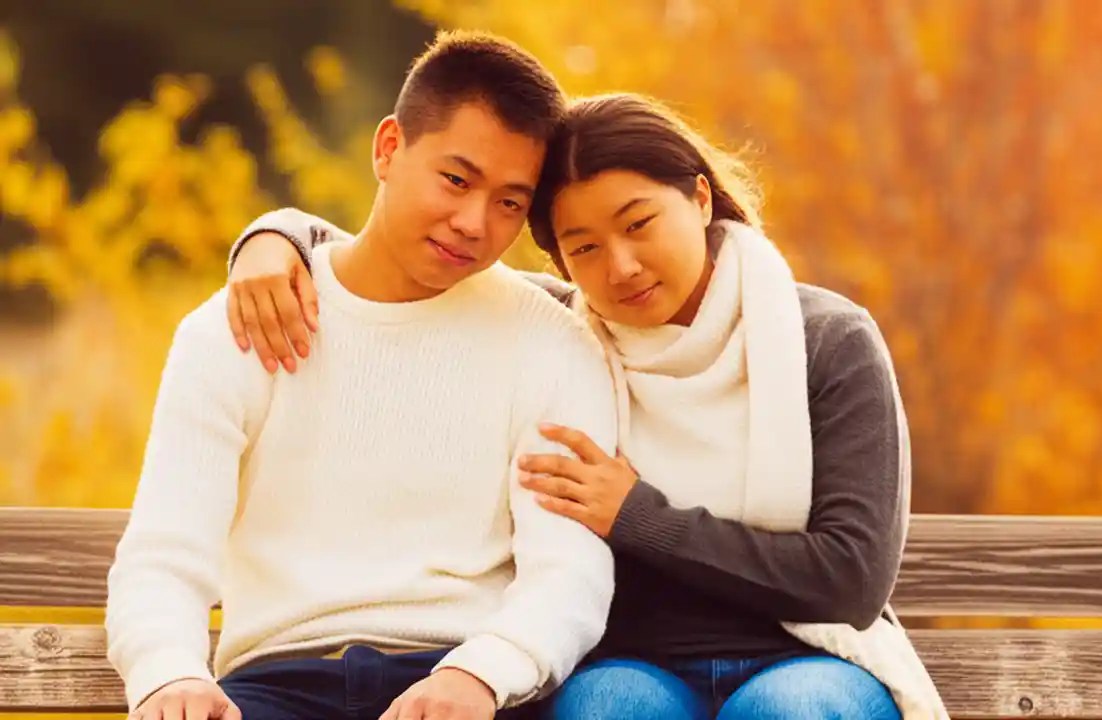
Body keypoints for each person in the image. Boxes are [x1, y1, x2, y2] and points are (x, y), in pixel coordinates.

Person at [221, 94, 949, 720]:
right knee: (608, 709)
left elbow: (851, 579)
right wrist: (276, 235)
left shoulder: (824, 339)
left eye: (639, 224)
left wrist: (636, 518)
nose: (621, 267)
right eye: (584, 248)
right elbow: (390, 260)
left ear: (698, 197)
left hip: (810, 657)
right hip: (632, 663)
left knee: (783, 711)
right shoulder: (567, 333)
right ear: (559, 265)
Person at [106, 32, 620, 720]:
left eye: (509, 203)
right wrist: (168, 675)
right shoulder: (239, 327)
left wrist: (480, 673)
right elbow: (165, 554)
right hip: (273, 685)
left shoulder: (553, 344)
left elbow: (568, 573)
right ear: (388, 149)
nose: (473, 223)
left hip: (468, 682)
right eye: (456, 180)